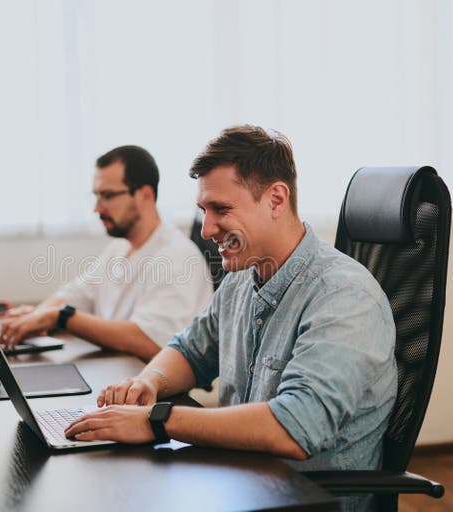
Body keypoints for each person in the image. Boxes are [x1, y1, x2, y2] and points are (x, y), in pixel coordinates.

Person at [64, 126, 397, 512]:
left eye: (221, 209)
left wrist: (157, 420)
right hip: (240, 484)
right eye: (203, 211)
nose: (206, 230)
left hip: (302, 500)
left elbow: (294, 426)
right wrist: (148, 383)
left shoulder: (343, 296)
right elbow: (190, 350)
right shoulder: (242, 278)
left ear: (276, 199)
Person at [0, 145, 213, 362]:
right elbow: (74, 295)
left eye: (107, 196)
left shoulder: (177, 256)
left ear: (145, 195)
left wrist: (59, 318)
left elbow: (152, 342)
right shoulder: (119, 249)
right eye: (96, 196)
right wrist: (36, 318)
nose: (97, 208)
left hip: (156, 388)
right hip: (118, 374)